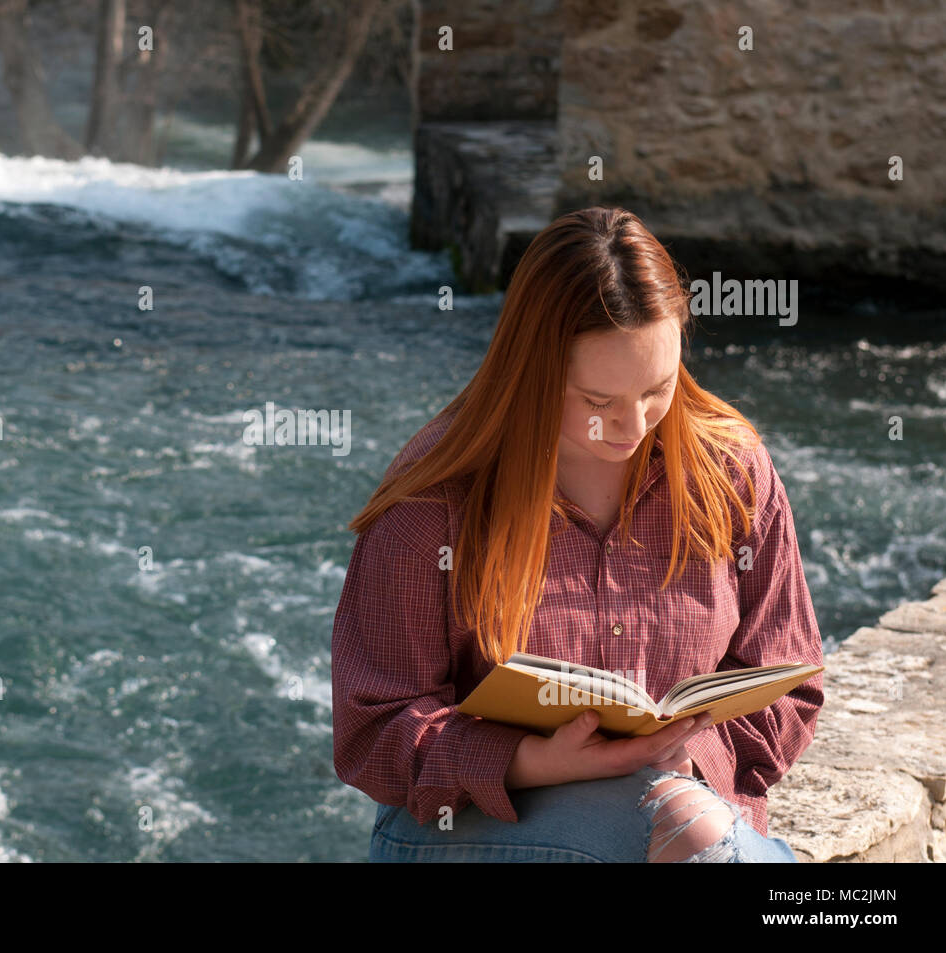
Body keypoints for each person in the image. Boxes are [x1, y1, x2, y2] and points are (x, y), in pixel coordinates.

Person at [330, 207, 825, 863]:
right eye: (597, 401)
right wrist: (535, 759)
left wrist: (687, 754)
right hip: (470, 825)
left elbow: (794, 688)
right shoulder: (436, 499)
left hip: (683, 809)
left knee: (679, 820)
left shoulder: (731, 473)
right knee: (683, 833)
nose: (633, 424)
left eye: (658, 388)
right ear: (532, 373)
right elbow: (374, 733)